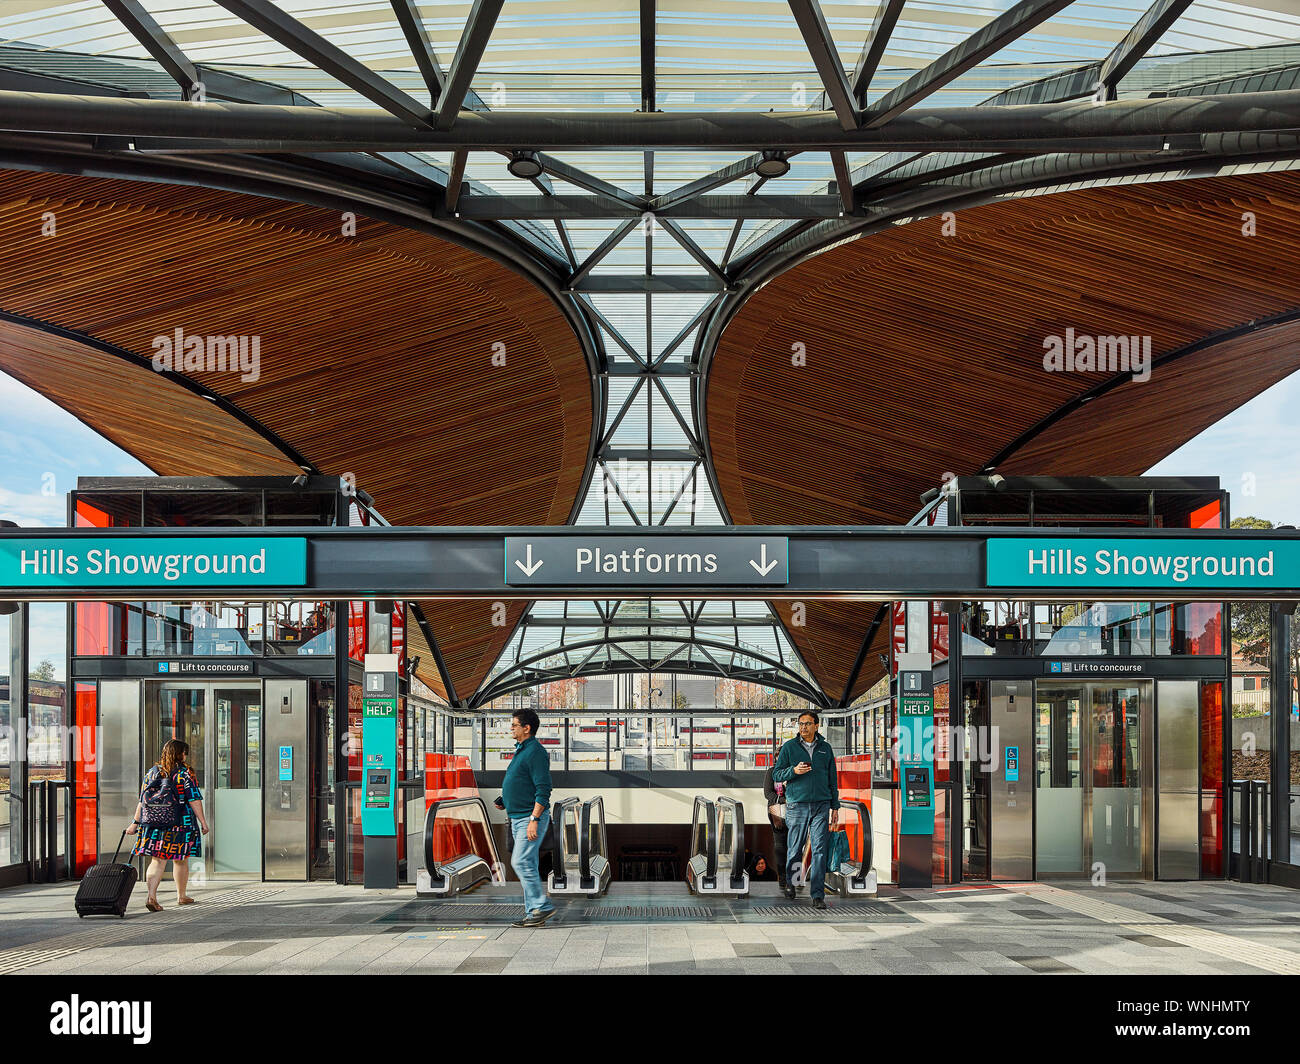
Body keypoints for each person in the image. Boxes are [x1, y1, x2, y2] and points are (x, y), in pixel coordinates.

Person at [126, 738, 209, 912]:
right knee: (180, 860)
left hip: (154, 824)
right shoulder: (185, 773)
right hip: (180, 823)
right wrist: (203, 821)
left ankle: (151, 896)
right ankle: (181, 896)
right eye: (185, 752)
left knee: (157, 860)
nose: (186, 755)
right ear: (181, 754)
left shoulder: (152, 772)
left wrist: (135, 823)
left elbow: (143, 800)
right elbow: (194, 799)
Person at [771, 711, 839, 909]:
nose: (803, 727)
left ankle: (817, 895)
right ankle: (792, 884)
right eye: (801, 724)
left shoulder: (825, 748)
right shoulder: (789, 748)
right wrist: (793, 771)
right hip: (797, 804)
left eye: (808, 724)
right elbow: (776, 773)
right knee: (795, 847)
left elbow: (832, 780)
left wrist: (835, 806)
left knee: (819, 849)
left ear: (817, 726)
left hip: (821, 805)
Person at [499, 709, 554, 928]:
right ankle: (533, 913)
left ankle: (543, 905)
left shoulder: (535, 752)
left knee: (520, 861)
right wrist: (505, 800)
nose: (511, 728)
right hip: (517, 817)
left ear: (526, 728)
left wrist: (534, 819)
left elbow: (543, 789)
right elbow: (522, 782)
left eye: (514, 725)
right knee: (528, 863)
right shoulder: (522, 750)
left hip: (529, 819)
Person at [762, 763, 788, 889]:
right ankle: (783, 877)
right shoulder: (772, 771)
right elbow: (768, 793)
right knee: (780, 845)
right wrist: (783, 800)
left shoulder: (794, 770)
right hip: (776, 810)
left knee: (796, 845)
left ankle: (795, 876)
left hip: (795, 809)